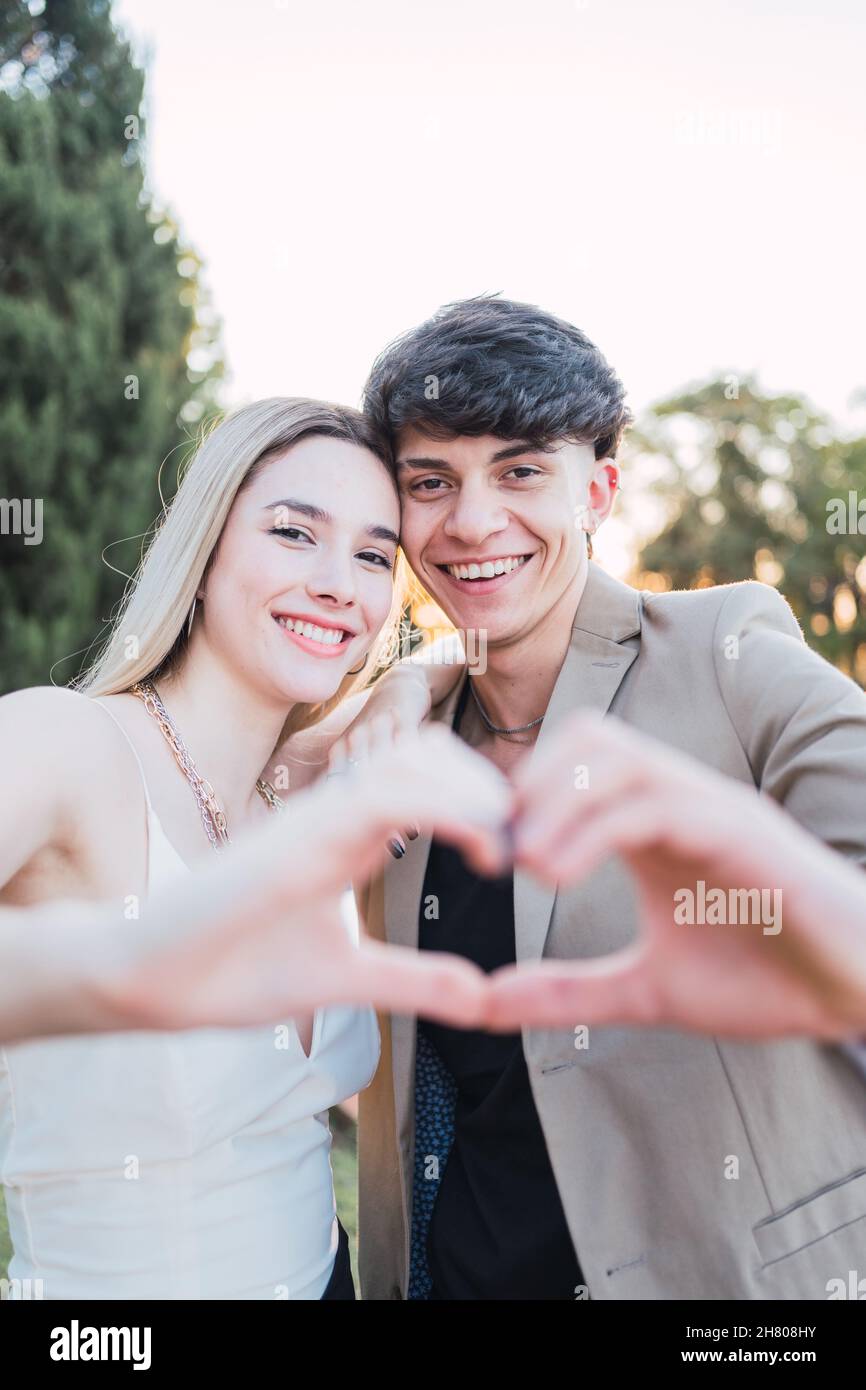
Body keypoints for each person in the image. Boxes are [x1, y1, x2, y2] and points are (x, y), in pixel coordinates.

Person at [355, 294, 866, 1301]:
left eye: (520, 470)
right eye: (431, 479)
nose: (471, 520)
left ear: (600, 489)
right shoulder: (402, 742)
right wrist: (409, 675)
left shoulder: (729, 658)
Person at [0, 396, 506, 1301]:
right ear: (202, 555)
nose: (338, 584)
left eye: (370, 555)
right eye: (293, 533)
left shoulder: (306, 790)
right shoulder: (65, 746)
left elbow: (480, 650)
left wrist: (398, 688)